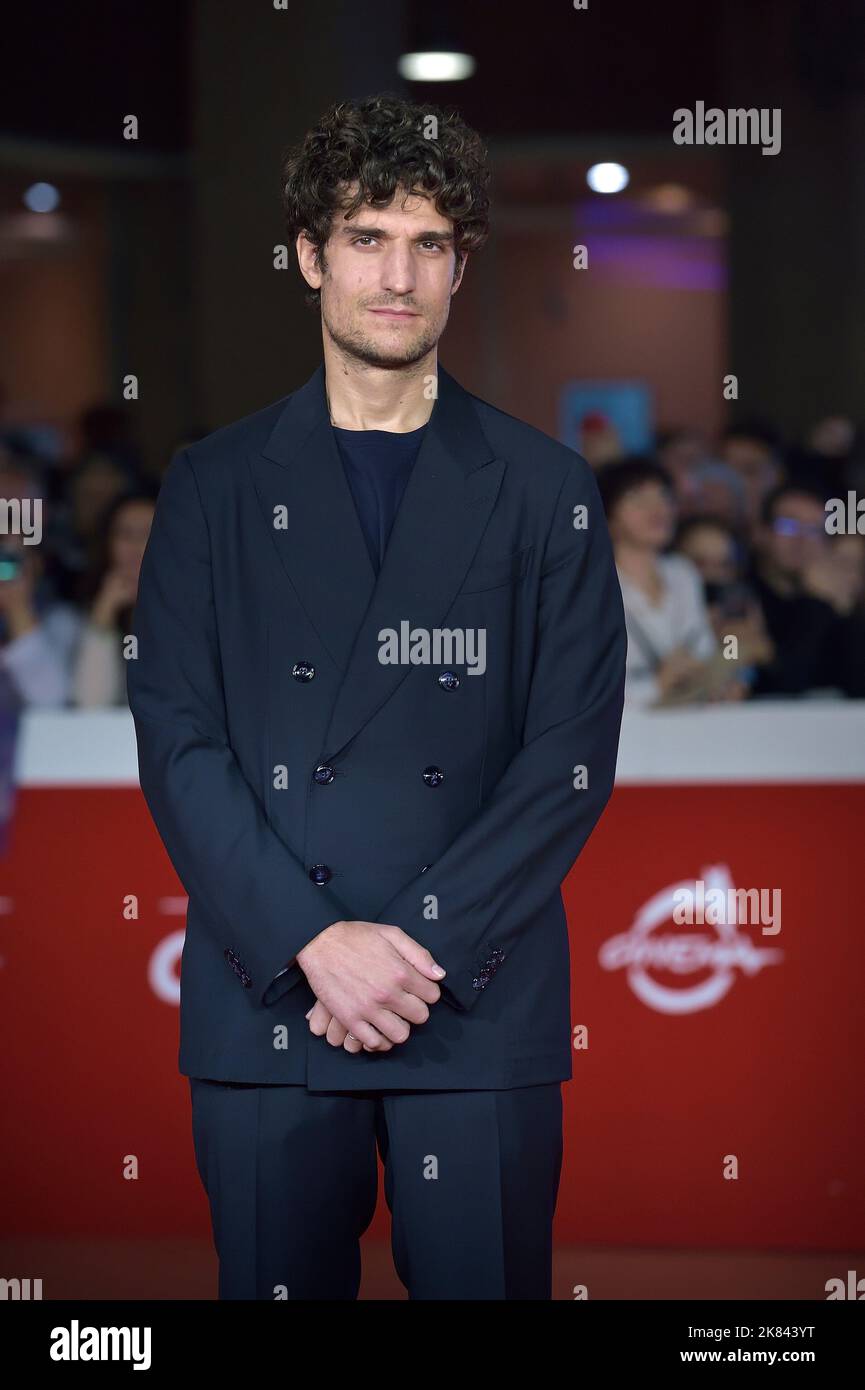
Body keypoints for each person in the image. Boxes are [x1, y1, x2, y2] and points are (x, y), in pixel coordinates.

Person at [127, 93, 627, 1301]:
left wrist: (413, 949)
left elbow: (567, 753)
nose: (396, 274)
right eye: (366, 236)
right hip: (269, 996)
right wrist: (312, 943)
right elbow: (180, 743)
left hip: (471, 996)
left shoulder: (542, 486)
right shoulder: (215, 486)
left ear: (460, 268)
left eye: (428, 242)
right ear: (309, 257)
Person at [598, 457, 742, 707]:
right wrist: (656, 685)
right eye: (638, 499)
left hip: (688, 721)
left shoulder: (682, 573)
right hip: (626, 730)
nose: (658, 509)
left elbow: (702, 648)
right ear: (609, 515)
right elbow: (590, 687)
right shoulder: (594, 584)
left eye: (664, 497)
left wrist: (718, 682)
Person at [749, 483, 865, 696]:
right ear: (761, 532)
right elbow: (783, 685)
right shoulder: (741, 597)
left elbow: (858, 686)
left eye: (814, 530)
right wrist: (816, 604)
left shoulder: (834, 600)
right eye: (788, 526)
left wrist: (848, 613)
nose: (802, 540)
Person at [72, 487, 157, 707]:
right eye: (125, 534)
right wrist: (103, 614)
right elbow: (90, 704)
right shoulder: (79, 614)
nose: (136, 546)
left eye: (149, 533)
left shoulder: (201, 612)